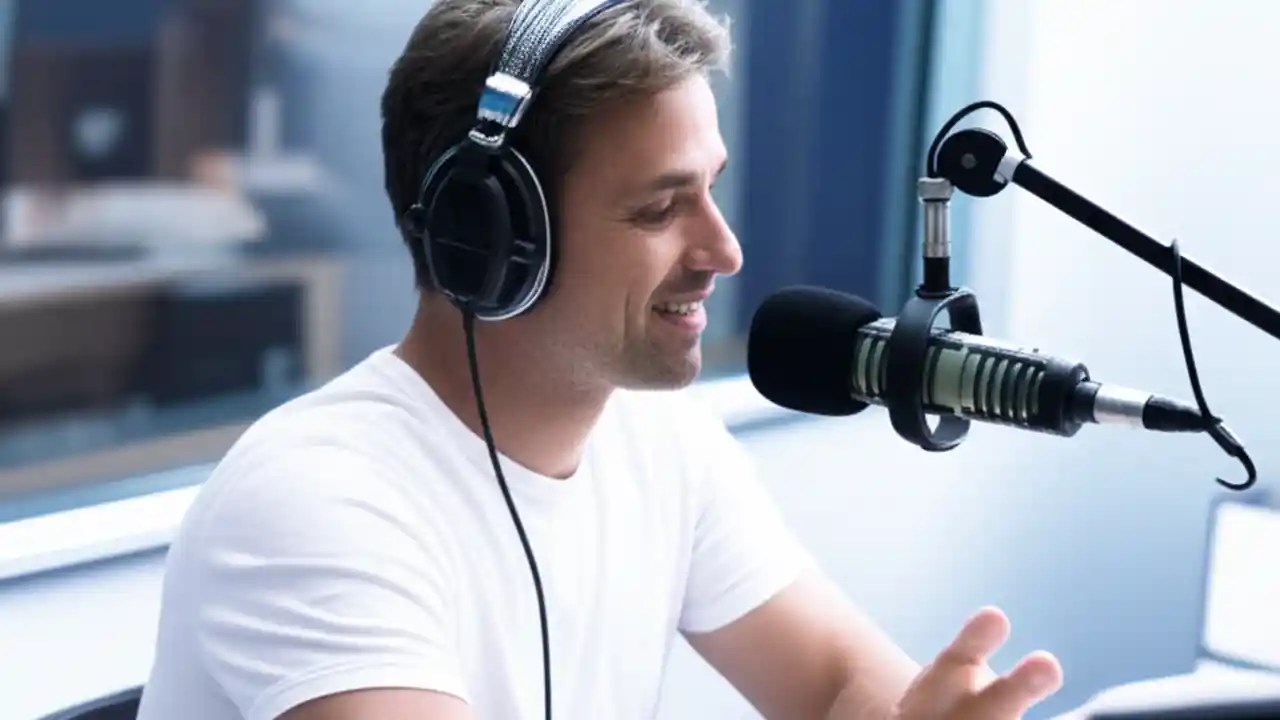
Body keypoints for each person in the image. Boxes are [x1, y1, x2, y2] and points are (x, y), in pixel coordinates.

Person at [137, 1, 1064, 718]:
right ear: (491, 238)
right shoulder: (315, 503)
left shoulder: (661, 443)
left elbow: (834, 690)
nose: (724, 250)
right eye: (661, 210)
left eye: (713, 190)